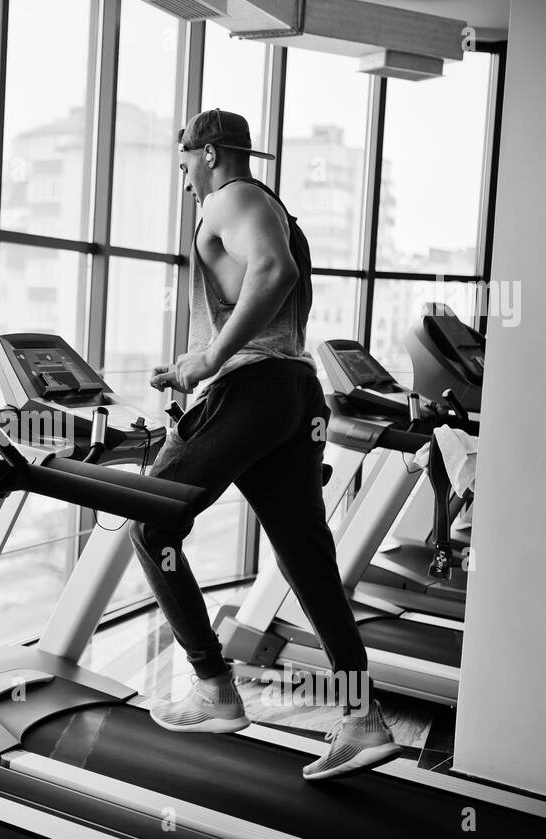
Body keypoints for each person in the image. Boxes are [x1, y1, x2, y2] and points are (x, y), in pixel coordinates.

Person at [132, 108, 401, 780]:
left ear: (213, 153)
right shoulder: (270, 206)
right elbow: (264, 293)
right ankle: (361, 717)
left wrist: (209, 360)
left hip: (254, 391)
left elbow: (272, 271)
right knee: (306, 557)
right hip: (291, 394)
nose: (186, 176)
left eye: (187, 159)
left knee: (148, 522)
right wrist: (194, 365)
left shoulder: (233, 197)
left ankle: (213, 685)